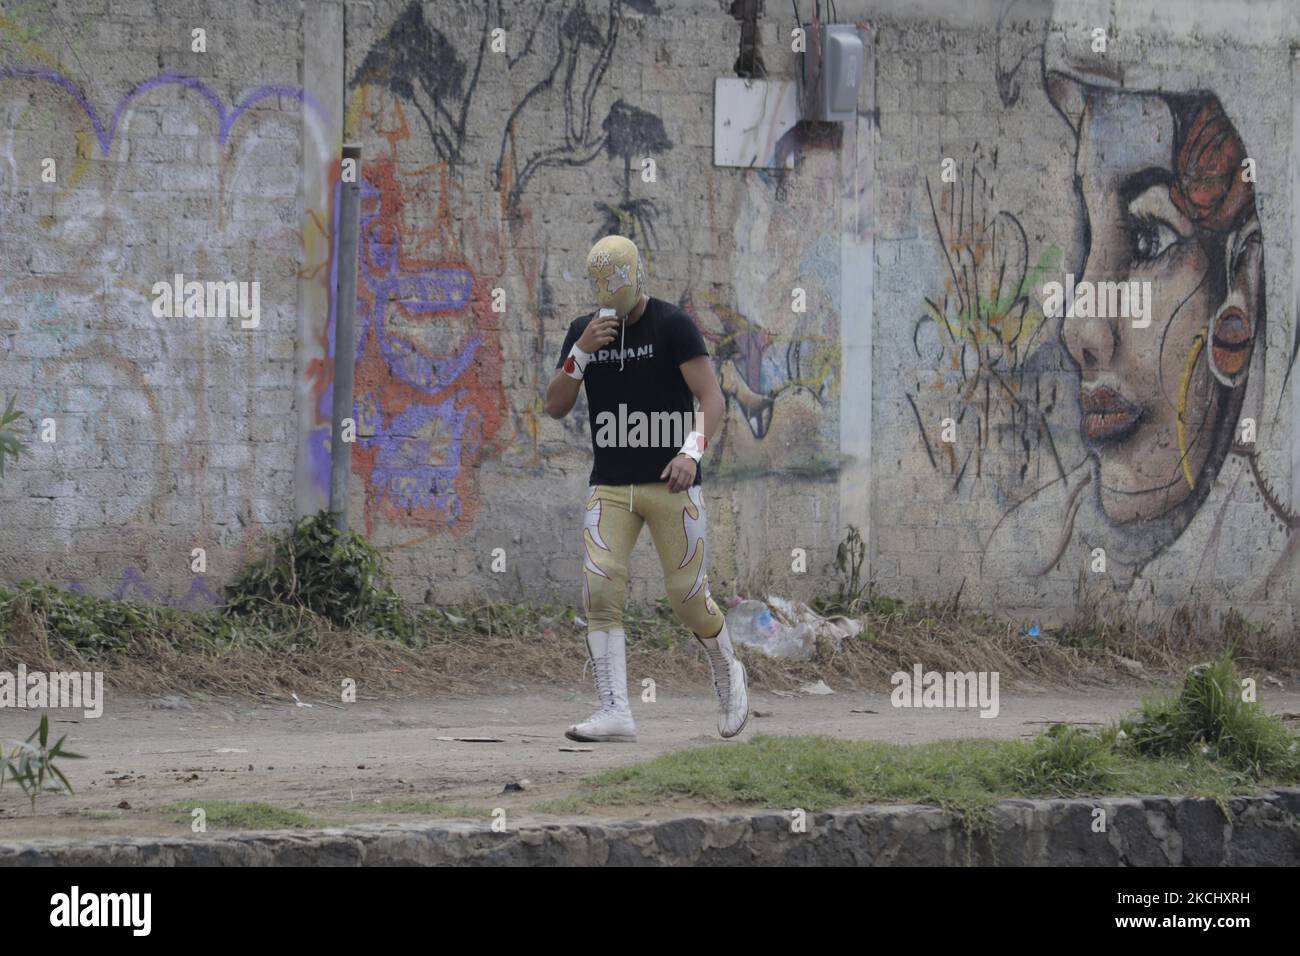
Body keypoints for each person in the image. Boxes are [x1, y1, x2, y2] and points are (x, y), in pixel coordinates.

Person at [543, 235, 749, 742]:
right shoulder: (583, 332)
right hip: (611, 485)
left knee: (686, 597)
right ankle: (615, 710)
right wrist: (580, 353)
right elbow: (554, 406)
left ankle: (728, 670)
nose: (612, 300)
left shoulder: (671, 325)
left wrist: (691, 453)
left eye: (619, 286)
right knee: (600, 587)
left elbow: (711, 398)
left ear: (639, 277)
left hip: (671, 483)